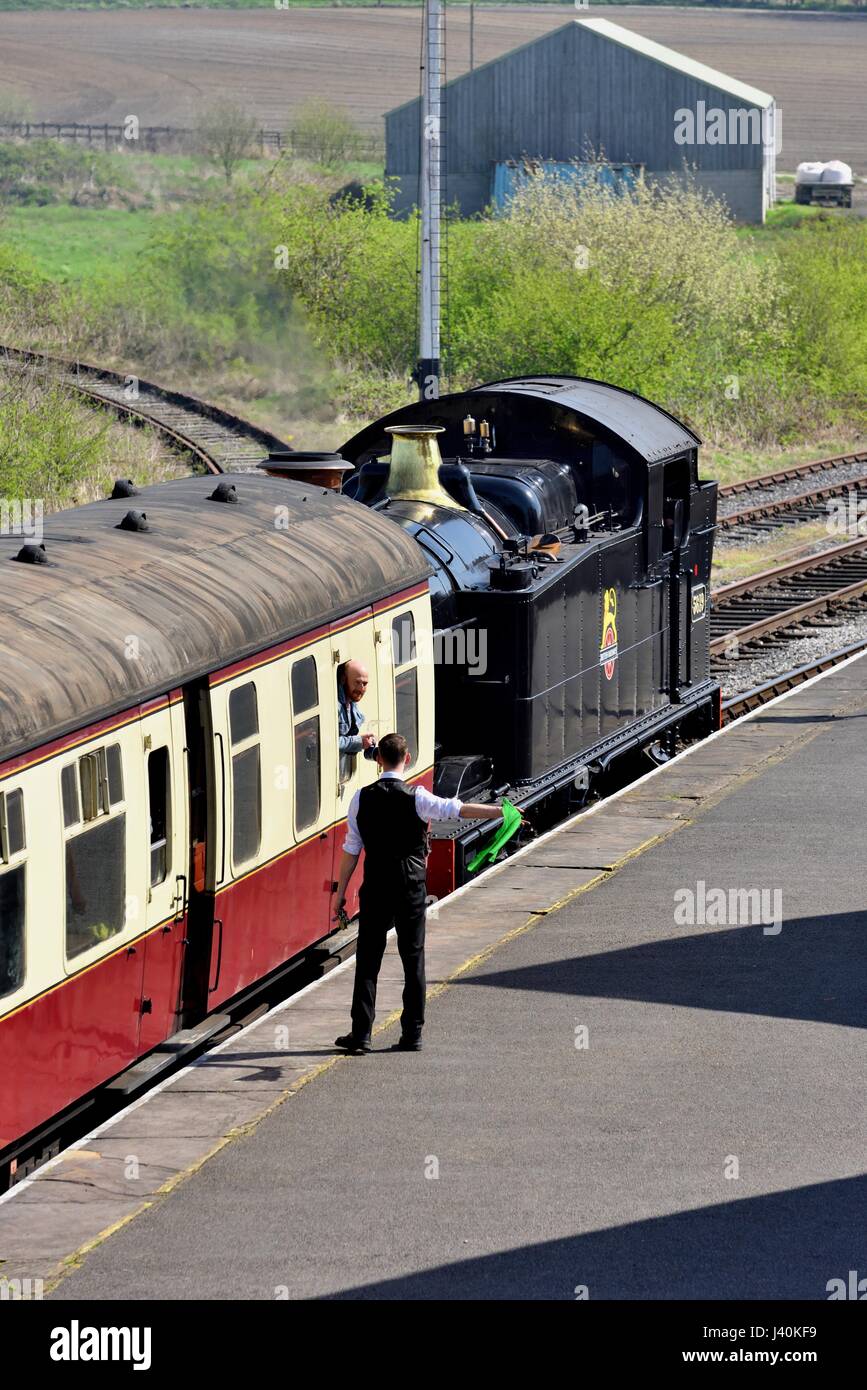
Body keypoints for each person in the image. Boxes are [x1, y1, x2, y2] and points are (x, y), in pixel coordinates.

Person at [332, 732, 507, 1055]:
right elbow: (458, 810)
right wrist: (500, 813)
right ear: (407, 758)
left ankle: (361, 1035)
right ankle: (412, 1033)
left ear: (378, 759)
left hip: (377, 886)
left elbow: (351, 850)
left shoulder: (360, 798)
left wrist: (339, 893)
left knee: (368, 959)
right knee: (413, 959)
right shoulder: (418, 797)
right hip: (411, 886)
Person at [337, 659, 377, 780]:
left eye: (364, 684)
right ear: (344, 679)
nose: (361, 688)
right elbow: (328, 744)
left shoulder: (352, 702)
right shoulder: (336, 706)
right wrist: (359, 742)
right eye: (357, 683)